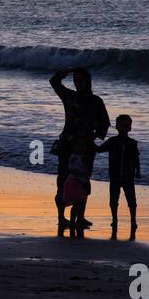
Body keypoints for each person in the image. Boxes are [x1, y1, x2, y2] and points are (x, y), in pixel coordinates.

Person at [49, 68, 110, 237]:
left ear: (87, 81)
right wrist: (65, 71)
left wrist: (92, 136)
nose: (77, 83)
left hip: (85, 147)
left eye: (81, 80)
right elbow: (54, 82)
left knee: (83, 182)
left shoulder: (96, 101)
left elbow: (104, 124)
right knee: (63, 181)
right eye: (75, 80)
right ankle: (62, 218)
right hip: (67, 146)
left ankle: (80, 217)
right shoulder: (69, 97)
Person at [100, 114, 141, 240]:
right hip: (115, 175)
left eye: (126, 126)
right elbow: (99, 149)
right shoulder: (112, 141)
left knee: (131, 201)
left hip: (128, 176)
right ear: (117, 127)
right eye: (122, 126)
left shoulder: (132, 143)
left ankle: (133, 221)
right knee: (113, 200)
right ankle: (114, 219)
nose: (124, 128)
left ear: (130, 128)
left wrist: (138, 171)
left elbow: (136, 159)